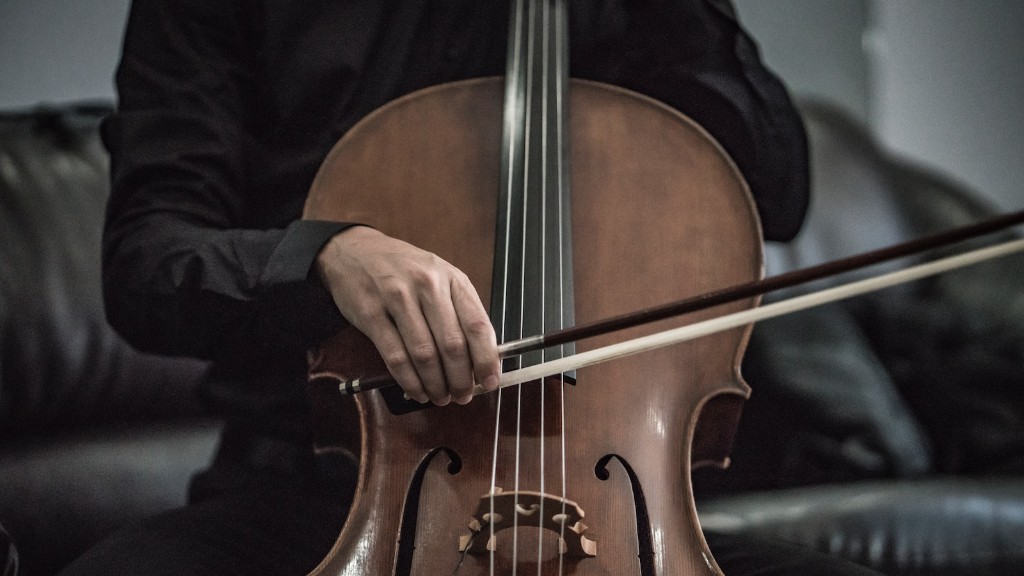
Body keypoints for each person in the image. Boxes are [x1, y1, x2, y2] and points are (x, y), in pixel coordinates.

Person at [60, 1, 880, 575]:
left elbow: (777, 192)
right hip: (313, 491)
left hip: (621, 515)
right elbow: (147, 262)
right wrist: (322, 258)